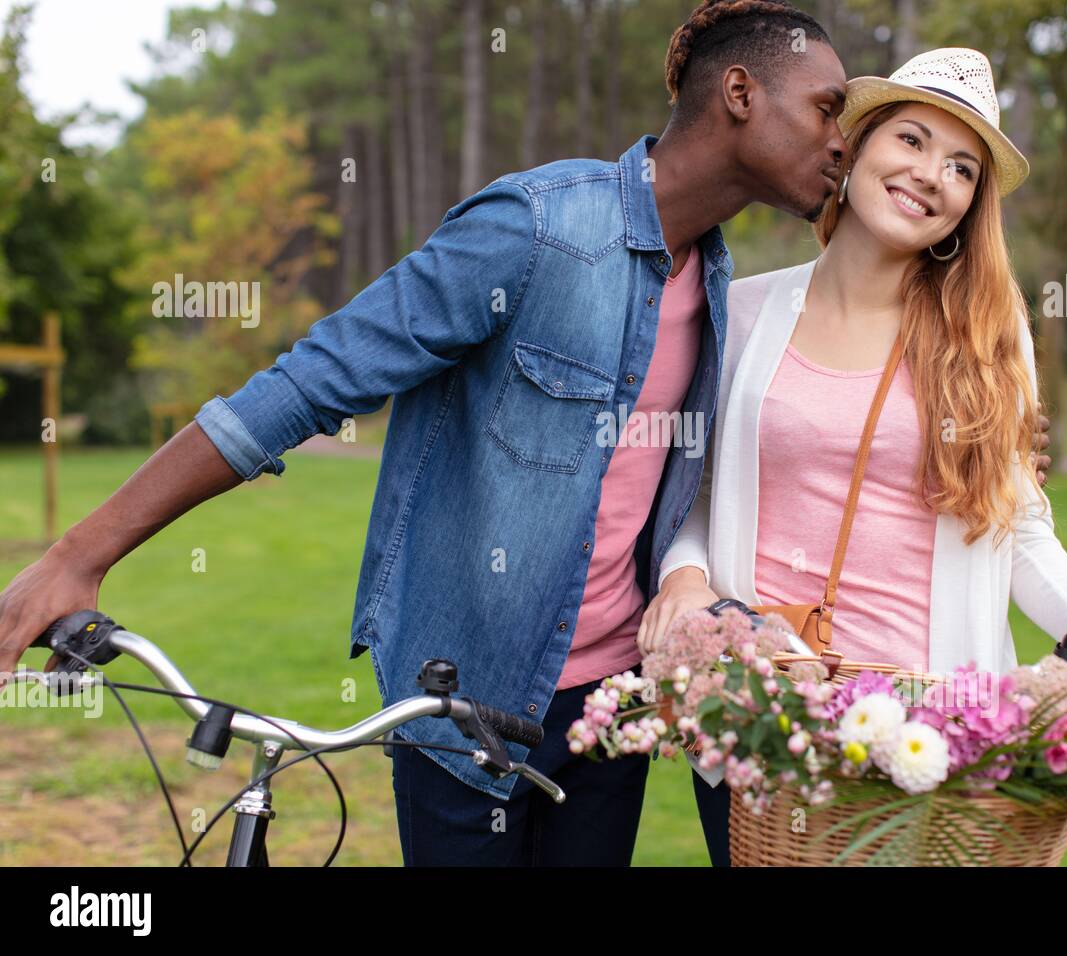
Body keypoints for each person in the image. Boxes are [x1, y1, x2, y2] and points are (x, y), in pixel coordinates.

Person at [0, 0, 861, 867]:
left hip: (612, 711)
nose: (842, 142)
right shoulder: (533, 230)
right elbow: (308, 383)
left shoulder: (715, 274)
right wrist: (82, 552)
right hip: (463, 704)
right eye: (828, 109)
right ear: (741, 93)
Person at [637, 47, 1067, 867]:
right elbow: (692, 496)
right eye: (911, 141)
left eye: (961, 166)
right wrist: (687, 577)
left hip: (931, 731)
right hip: (769, 722)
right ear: (855, 148)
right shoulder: (740, 312)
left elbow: (1017, 528)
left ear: (969, 205)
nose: (931, 175)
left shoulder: (988, 341)